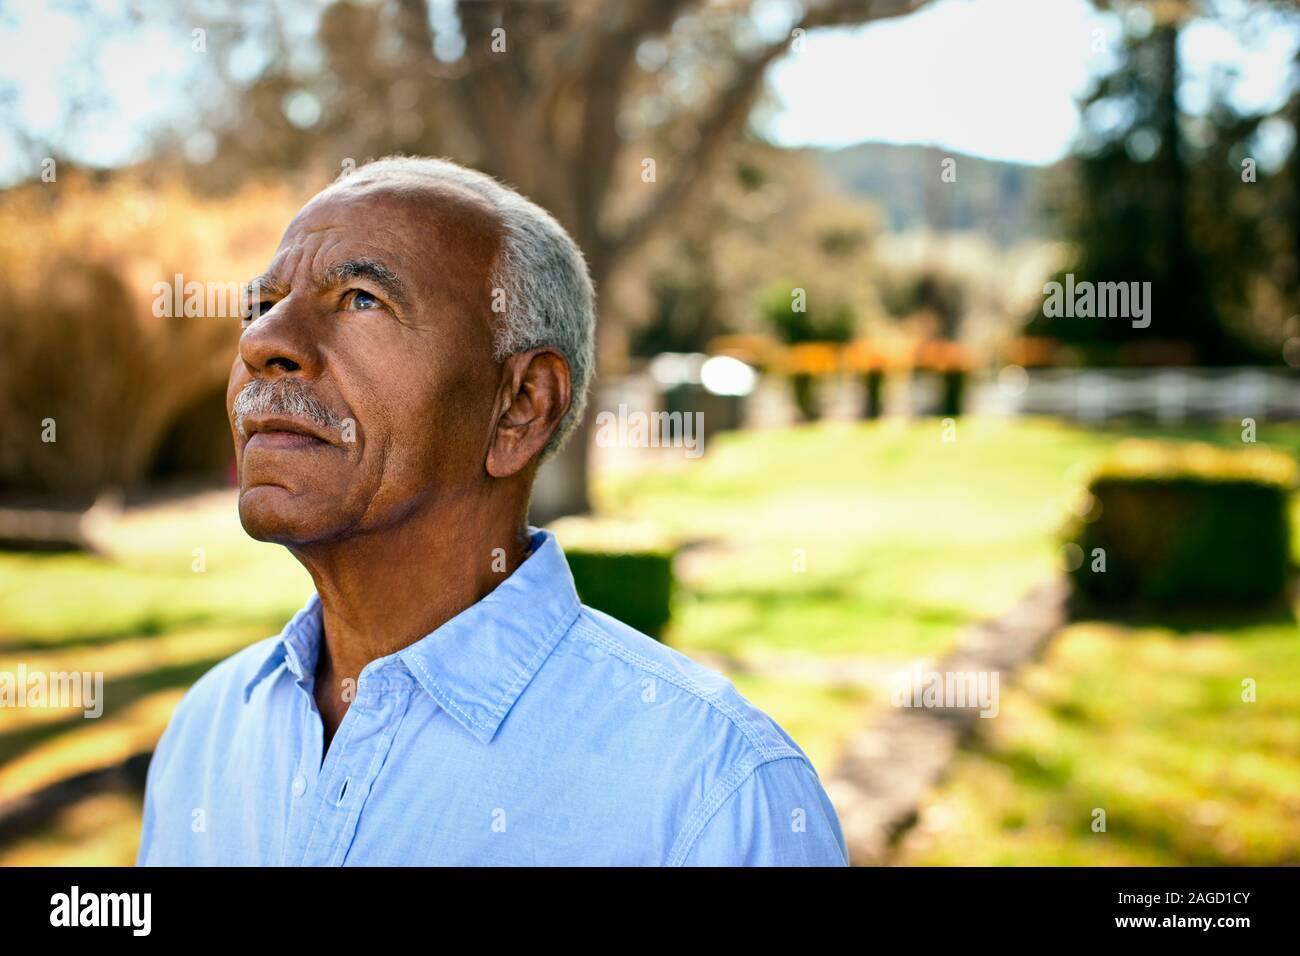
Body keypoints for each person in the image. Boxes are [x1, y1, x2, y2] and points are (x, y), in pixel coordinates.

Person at [136, 156, 849, 866]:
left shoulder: (714, 794)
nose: (261, 342)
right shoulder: (208, 731)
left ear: (521, 406)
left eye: (360, 299)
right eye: (261, 307)